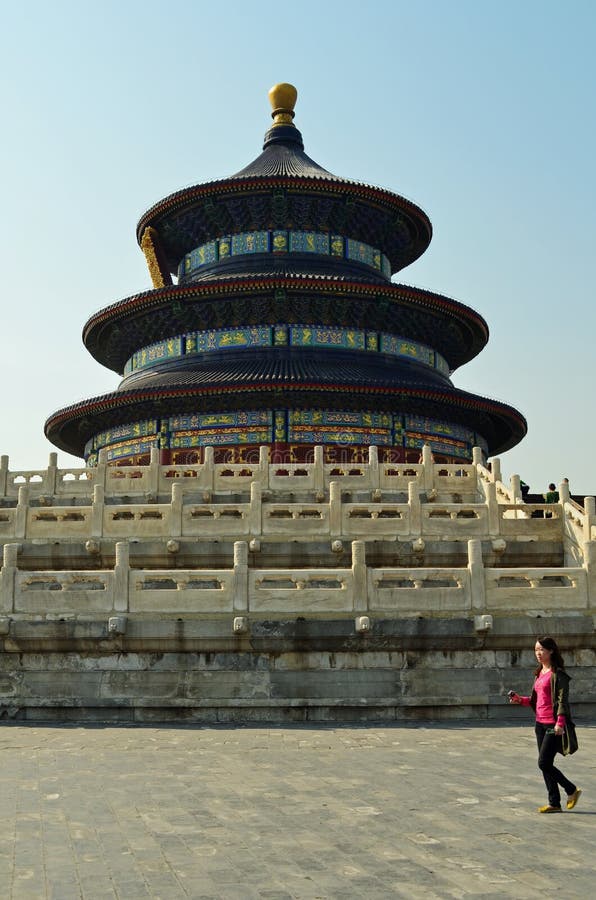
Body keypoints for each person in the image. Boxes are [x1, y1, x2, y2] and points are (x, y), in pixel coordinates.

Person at [509, 636, 581, 813]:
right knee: (546, 763)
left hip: (553, 724)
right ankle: (554, 803)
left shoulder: (558, 675)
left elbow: (562, 701)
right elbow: (535, 701)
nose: (538, 653)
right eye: (536, 650)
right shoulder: (539, 673)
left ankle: (571, 790)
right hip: (539, 724)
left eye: (541, 649)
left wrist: (560, 723)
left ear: (551, 651)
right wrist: (520, 700)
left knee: (543, 763)